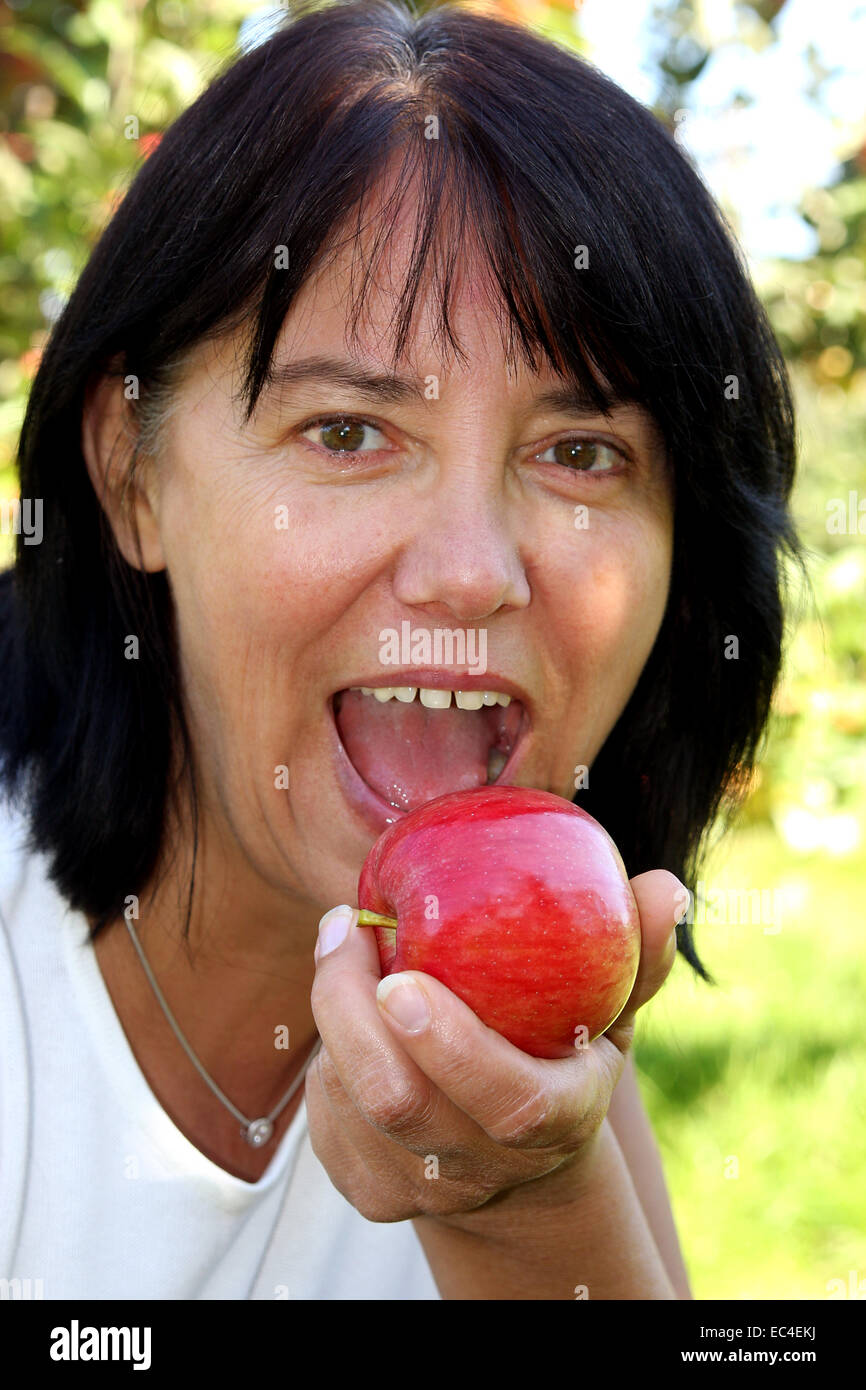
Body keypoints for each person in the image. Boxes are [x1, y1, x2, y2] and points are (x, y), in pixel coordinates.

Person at [0, 0, 803, 1300]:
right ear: (129, 476)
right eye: (346, 431)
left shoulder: (531, 1055)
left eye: (579, 452)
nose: (471, 568)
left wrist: (527, 1211)